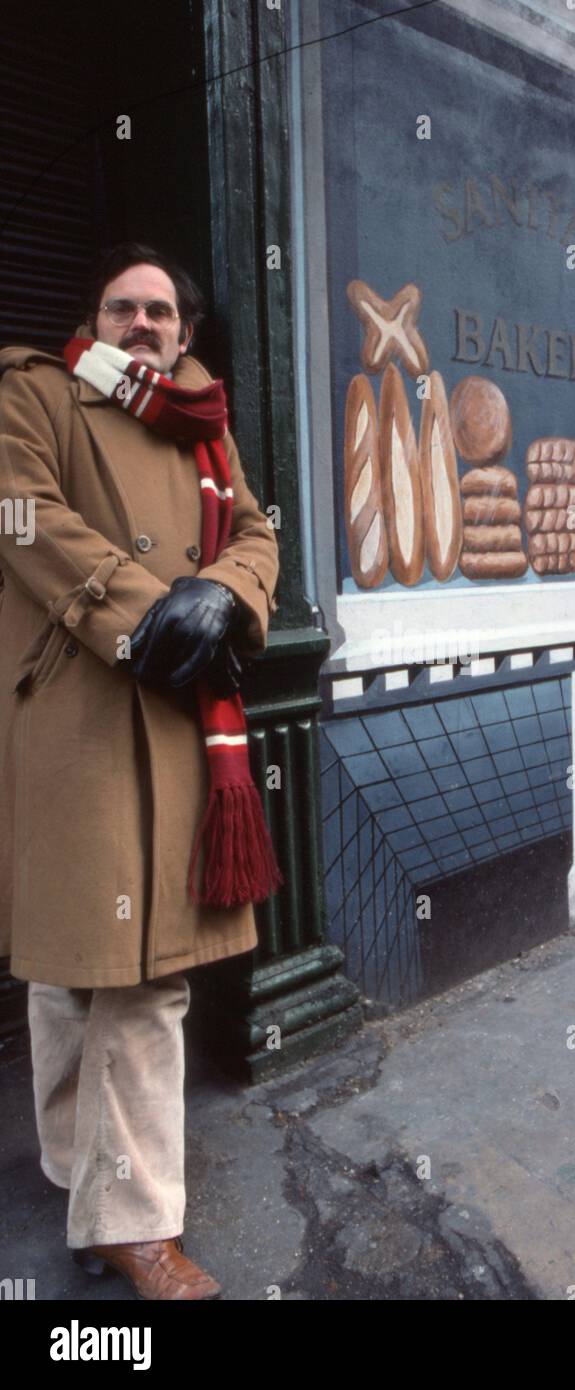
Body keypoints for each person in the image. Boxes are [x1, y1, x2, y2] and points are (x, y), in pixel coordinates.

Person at [0, 242, 281, 1300]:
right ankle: (99, 1192)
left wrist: (227, 596)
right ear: (97, 318)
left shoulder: (207, 419)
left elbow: (253, 532)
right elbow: (23, 515)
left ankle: (122, 1215)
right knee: (75, 965)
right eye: (123, 305)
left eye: (161, 310)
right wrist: (155, 609)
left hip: (176, 714)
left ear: (186, 330)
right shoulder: (35, 391)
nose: (143, 323)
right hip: (77, 708)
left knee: (145, 972)